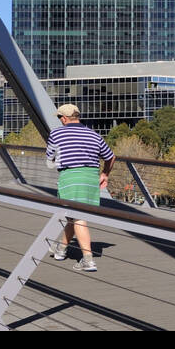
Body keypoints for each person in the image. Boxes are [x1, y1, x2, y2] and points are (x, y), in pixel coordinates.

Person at [45, 104, 114, 273]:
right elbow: (111, 156)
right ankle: (61, 249)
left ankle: (88, 259)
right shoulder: (93, 134)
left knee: (79, 217)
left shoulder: (57, 133)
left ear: (64, 118)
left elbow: (49, 160)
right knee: (72, 215)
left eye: (60, 118)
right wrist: (104, 173)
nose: (60, 121)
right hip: (90, 177)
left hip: (70, 176)